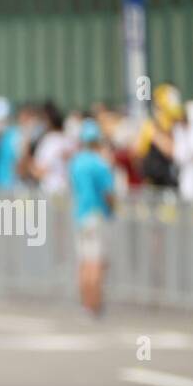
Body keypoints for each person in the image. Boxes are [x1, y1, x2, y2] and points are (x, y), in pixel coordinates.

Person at [69, 119, 115, 318]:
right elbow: (109, 193)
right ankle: (95, 305)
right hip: (96, 215)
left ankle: (85, 303)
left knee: (83, 262)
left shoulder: (76, 162)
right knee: (95, 263)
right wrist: (112, 209)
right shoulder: (99, 163)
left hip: (80, 215)